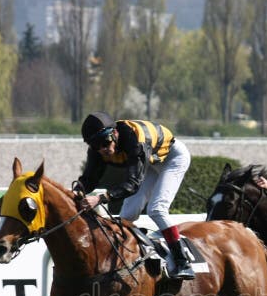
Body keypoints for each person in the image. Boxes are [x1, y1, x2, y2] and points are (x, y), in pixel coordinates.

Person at [76, 111, 194, 280]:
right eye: (95, 145)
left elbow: (132, 184)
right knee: (127, 216)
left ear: (115, 133)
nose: (102, 149)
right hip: (151, 161)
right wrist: (76, 192)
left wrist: (100, 198)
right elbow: (89, 179)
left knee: (157, 209)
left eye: (105, 142)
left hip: (172, 158)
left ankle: (183, 261)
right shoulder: (98, 150)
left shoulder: (134, 141)